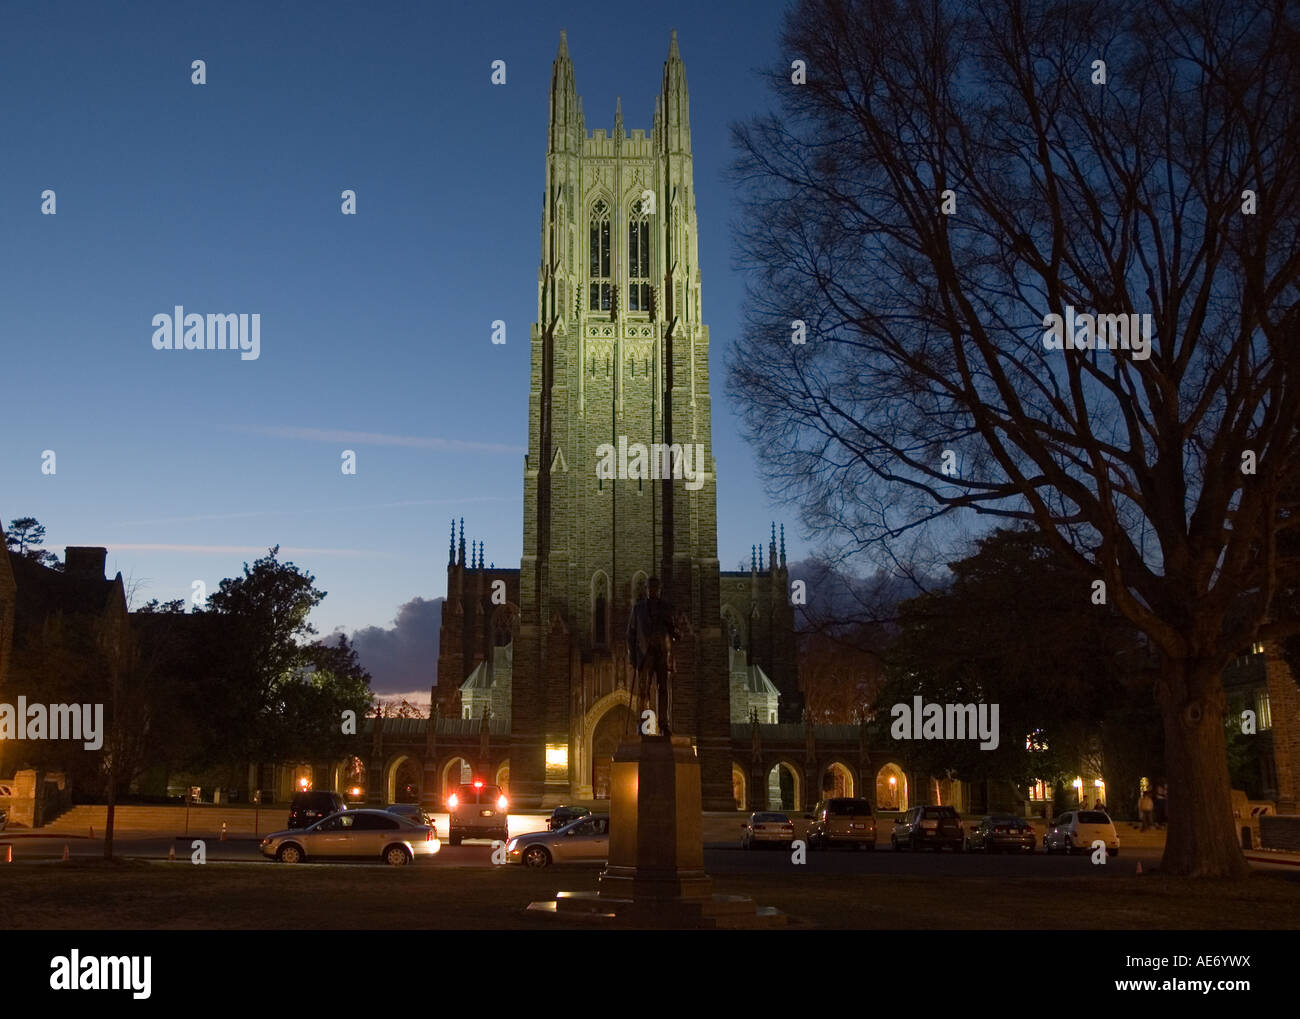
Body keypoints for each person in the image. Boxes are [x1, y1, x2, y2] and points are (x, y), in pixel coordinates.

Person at [626, 576, 681, 736]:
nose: (653, 590)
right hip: (645, 654)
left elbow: (673, 631)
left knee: (663, 689)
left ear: (660, 589)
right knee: (643, 690)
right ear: (647, 589)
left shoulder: (666, 608)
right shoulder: (638, 609)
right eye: (650, 587)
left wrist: (677, 632)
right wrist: (632, 658)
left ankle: (664, 724)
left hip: (662, 654)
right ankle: (642, 725)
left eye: (656, 587)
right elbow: (631, 634)